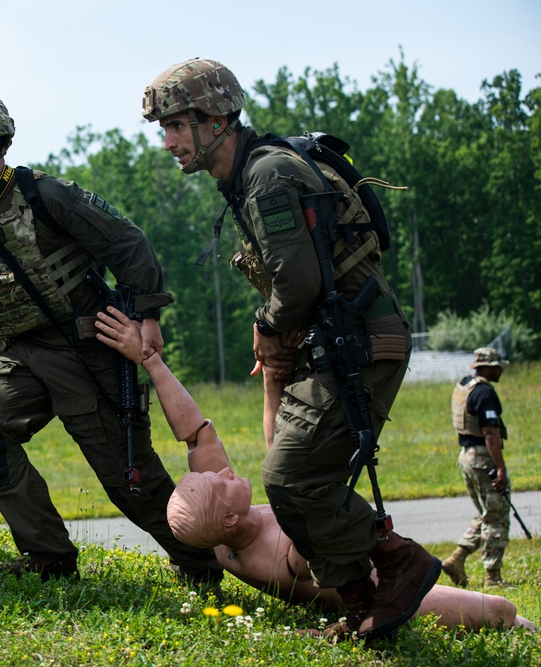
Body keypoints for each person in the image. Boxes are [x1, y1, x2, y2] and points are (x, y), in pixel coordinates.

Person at [141, 58, 439, 640]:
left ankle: (399, 559)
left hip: (361, 342)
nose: (169, 141)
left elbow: (297, 285)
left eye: (177, 126)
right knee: (295, 480)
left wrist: (266, 327)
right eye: (165, 129)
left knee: (294, 478)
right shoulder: (246, 180)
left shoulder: (267, 175)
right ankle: (359, 605)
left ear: (217, 119)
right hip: (334, 348)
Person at [0, 88, 224, 585]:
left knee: (127, 475)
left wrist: (147, 314)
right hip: (19, 356)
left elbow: (127, 241)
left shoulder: (45, 195)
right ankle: (49, 558)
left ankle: (200, 565)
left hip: (85, 347)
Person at [94, 307, 537, 636]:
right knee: (500, 610)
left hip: (355, 565)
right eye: (221, 482)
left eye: (216, 474)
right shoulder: (278, 553)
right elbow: (307, 477)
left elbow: (197, 435)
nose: (225, 473)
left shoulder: (224, 528)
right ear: (227, 519)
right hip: (378, 588)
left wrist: (150, 360)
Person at [441, 347, 511, 588]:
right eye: (497, 365)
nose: (500, 369)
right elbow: (490, 433)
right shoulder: (484, 393)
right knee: (497, 517)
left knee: (486, 511)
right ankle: (493, 578)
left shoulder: (465, 385)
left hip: (466, 456)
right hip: (482, 458)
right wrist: (500, 468)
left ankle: (457, 559)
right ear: (487, 366)